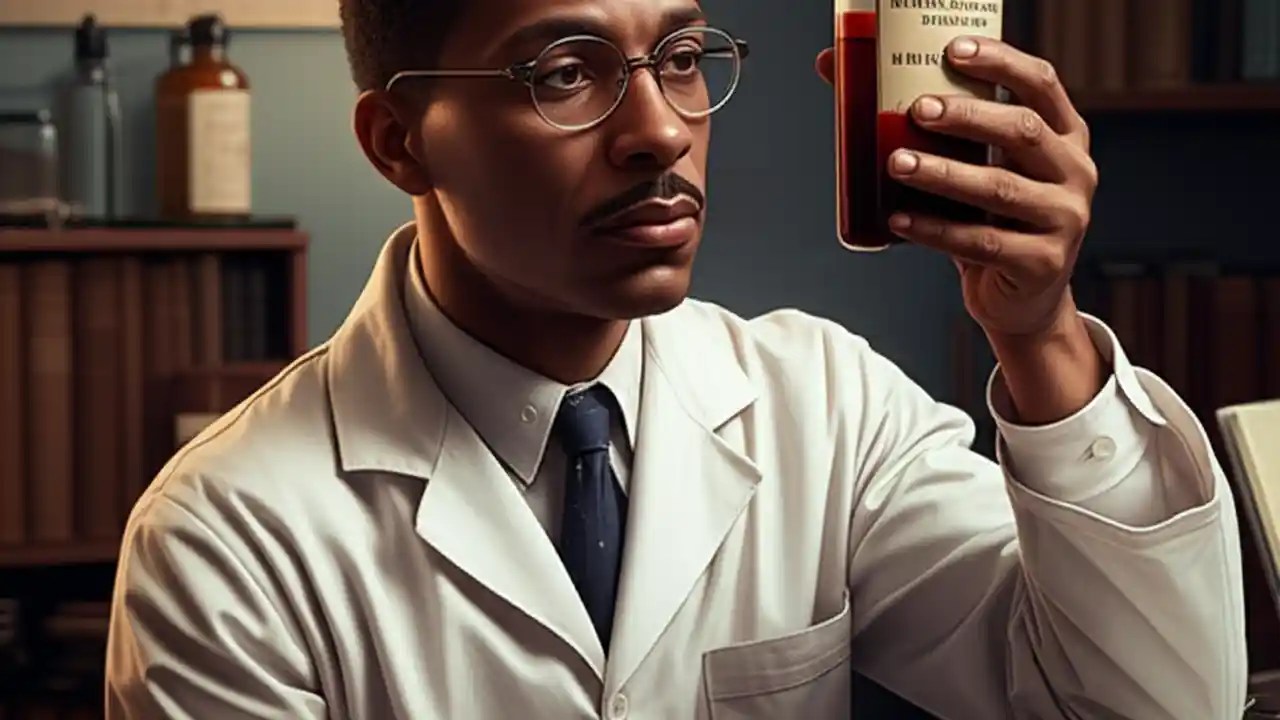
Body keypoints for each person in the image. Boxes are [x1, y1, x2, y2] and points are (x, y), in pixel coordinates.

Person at [103, 0, 1248, 718]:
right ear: (399, 142)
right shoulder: (225, 537)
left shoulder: (824, 407)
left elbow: (1149, 706)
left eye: (684, 58)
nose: (658, 130)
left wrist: (1038, 335)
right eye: (564, 72)